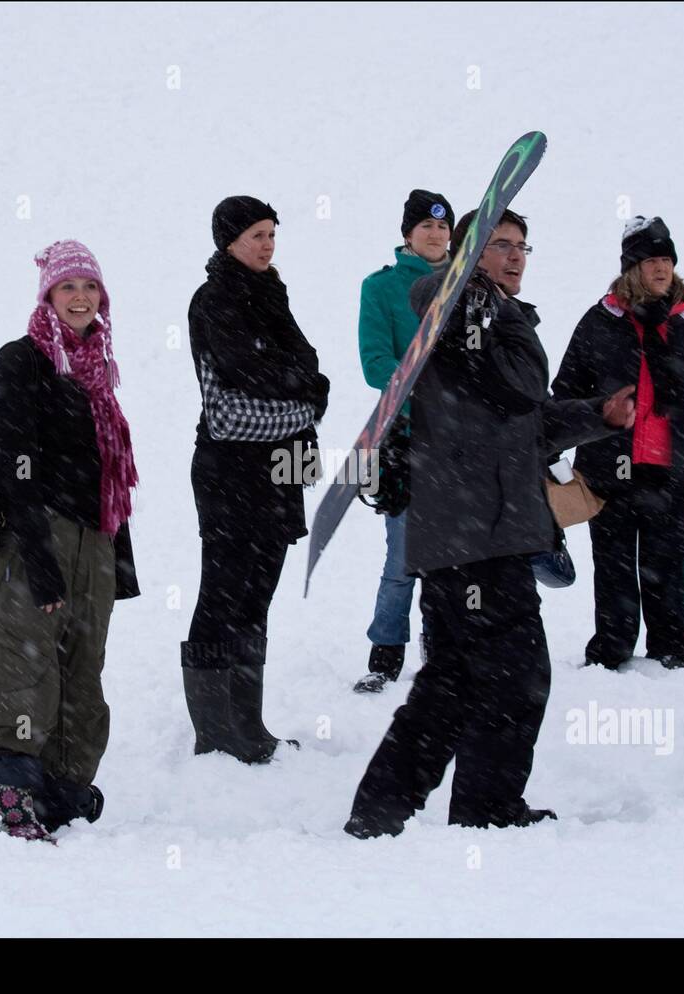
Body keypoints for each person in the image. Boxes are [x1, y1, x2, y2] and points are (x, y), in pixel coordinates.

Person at [345, 209, 634, 838]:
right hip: (475, 535)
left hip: (468, 533)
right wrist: (481, 308)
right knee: (517, 675)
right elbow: (517, 381)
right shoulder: (458, 314)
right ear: (469, 255)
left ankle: (381, 811)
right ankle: (485, 807)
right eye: (499, 245)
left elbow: (521, 422)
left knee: (450, 682)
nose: (515, 256)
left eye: (522, 246)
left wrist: (598, 417)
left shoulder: (481, 317)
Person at [0, 240, 140, 839]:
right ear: (48, 296)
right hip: (29, 538)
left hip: (93, 541)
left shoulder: (98, 372)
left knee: (81, 669)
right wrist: (38, 558)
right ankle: (13, 787)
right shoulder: (24, 361)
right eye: (68, 287)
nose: (81, 298)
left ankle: (62, 785)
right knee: (25, 660)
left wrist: (117, 557)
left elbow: (108, 472)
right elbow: (14, 461)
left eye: (90, 287)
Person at [551, 216, 684, 670]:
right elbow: (566, 392)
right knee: (613, 568)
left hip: (669, 470)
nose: (661, 268)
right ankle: (611, 652)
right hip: (608, 469)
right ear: (631, 268)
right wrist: (551, 448)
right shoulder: (599, 321)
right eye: (651, 260)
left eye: (667, 260)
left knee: (667, 568)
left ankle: (671, 651)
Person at [182, 196, 330, 764]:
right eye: (256, 236)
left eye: (272, 233)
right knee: (222, 593)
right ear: (228, 241)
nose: (267, 245)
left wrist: (298, 382)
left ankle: (249, 724)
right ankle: (214, 732)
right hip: (228, 470)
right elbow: (248, 371)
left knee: (258, 596)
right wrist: (303, 391)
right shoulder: (214, 298)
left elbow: (306, 361)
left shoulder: (273, 291)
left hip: (278, 469)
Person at [353, 188, 454, 693]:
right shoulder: (382, 288)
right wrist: (425, 392)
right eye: (427, 227)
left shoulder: (468, 285)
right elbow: (375, 363)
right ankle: (385, 657)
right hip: (409, 440)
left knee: (459, 557)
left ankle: (447, 653)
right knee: (403, 557)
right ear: (408, 234)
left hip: (464, 443)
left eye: (443, 227)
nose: (436, 235)